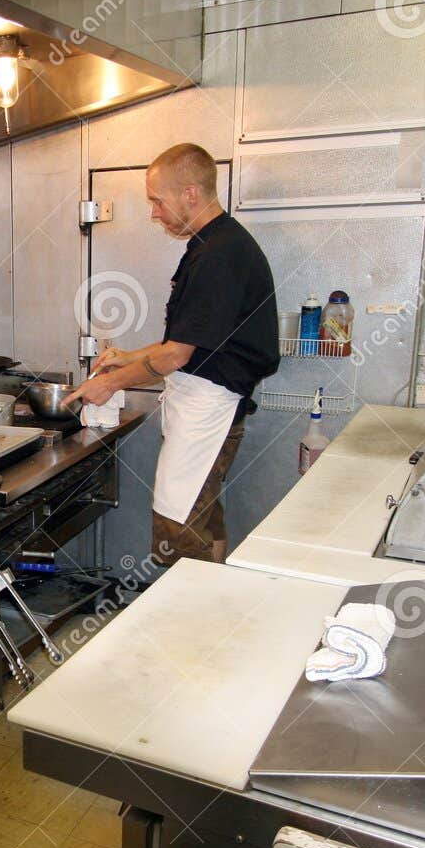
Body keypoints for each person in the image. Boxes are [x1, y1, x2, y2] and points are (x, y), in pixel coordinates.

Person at [64, 143, 278, 565]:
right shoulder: (213, 245)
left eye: (157, 201)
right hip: (206, 408)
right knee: (204, 521)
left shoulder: (219, 254)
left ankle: (192, 626)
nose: (154, 213)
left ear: (190, 195)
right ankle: (211, 617)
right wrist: (127, 358)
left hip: (209, 413)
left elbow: (177, 355)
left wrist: (107, 383)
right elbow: (188, 341)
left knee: (178, 535)